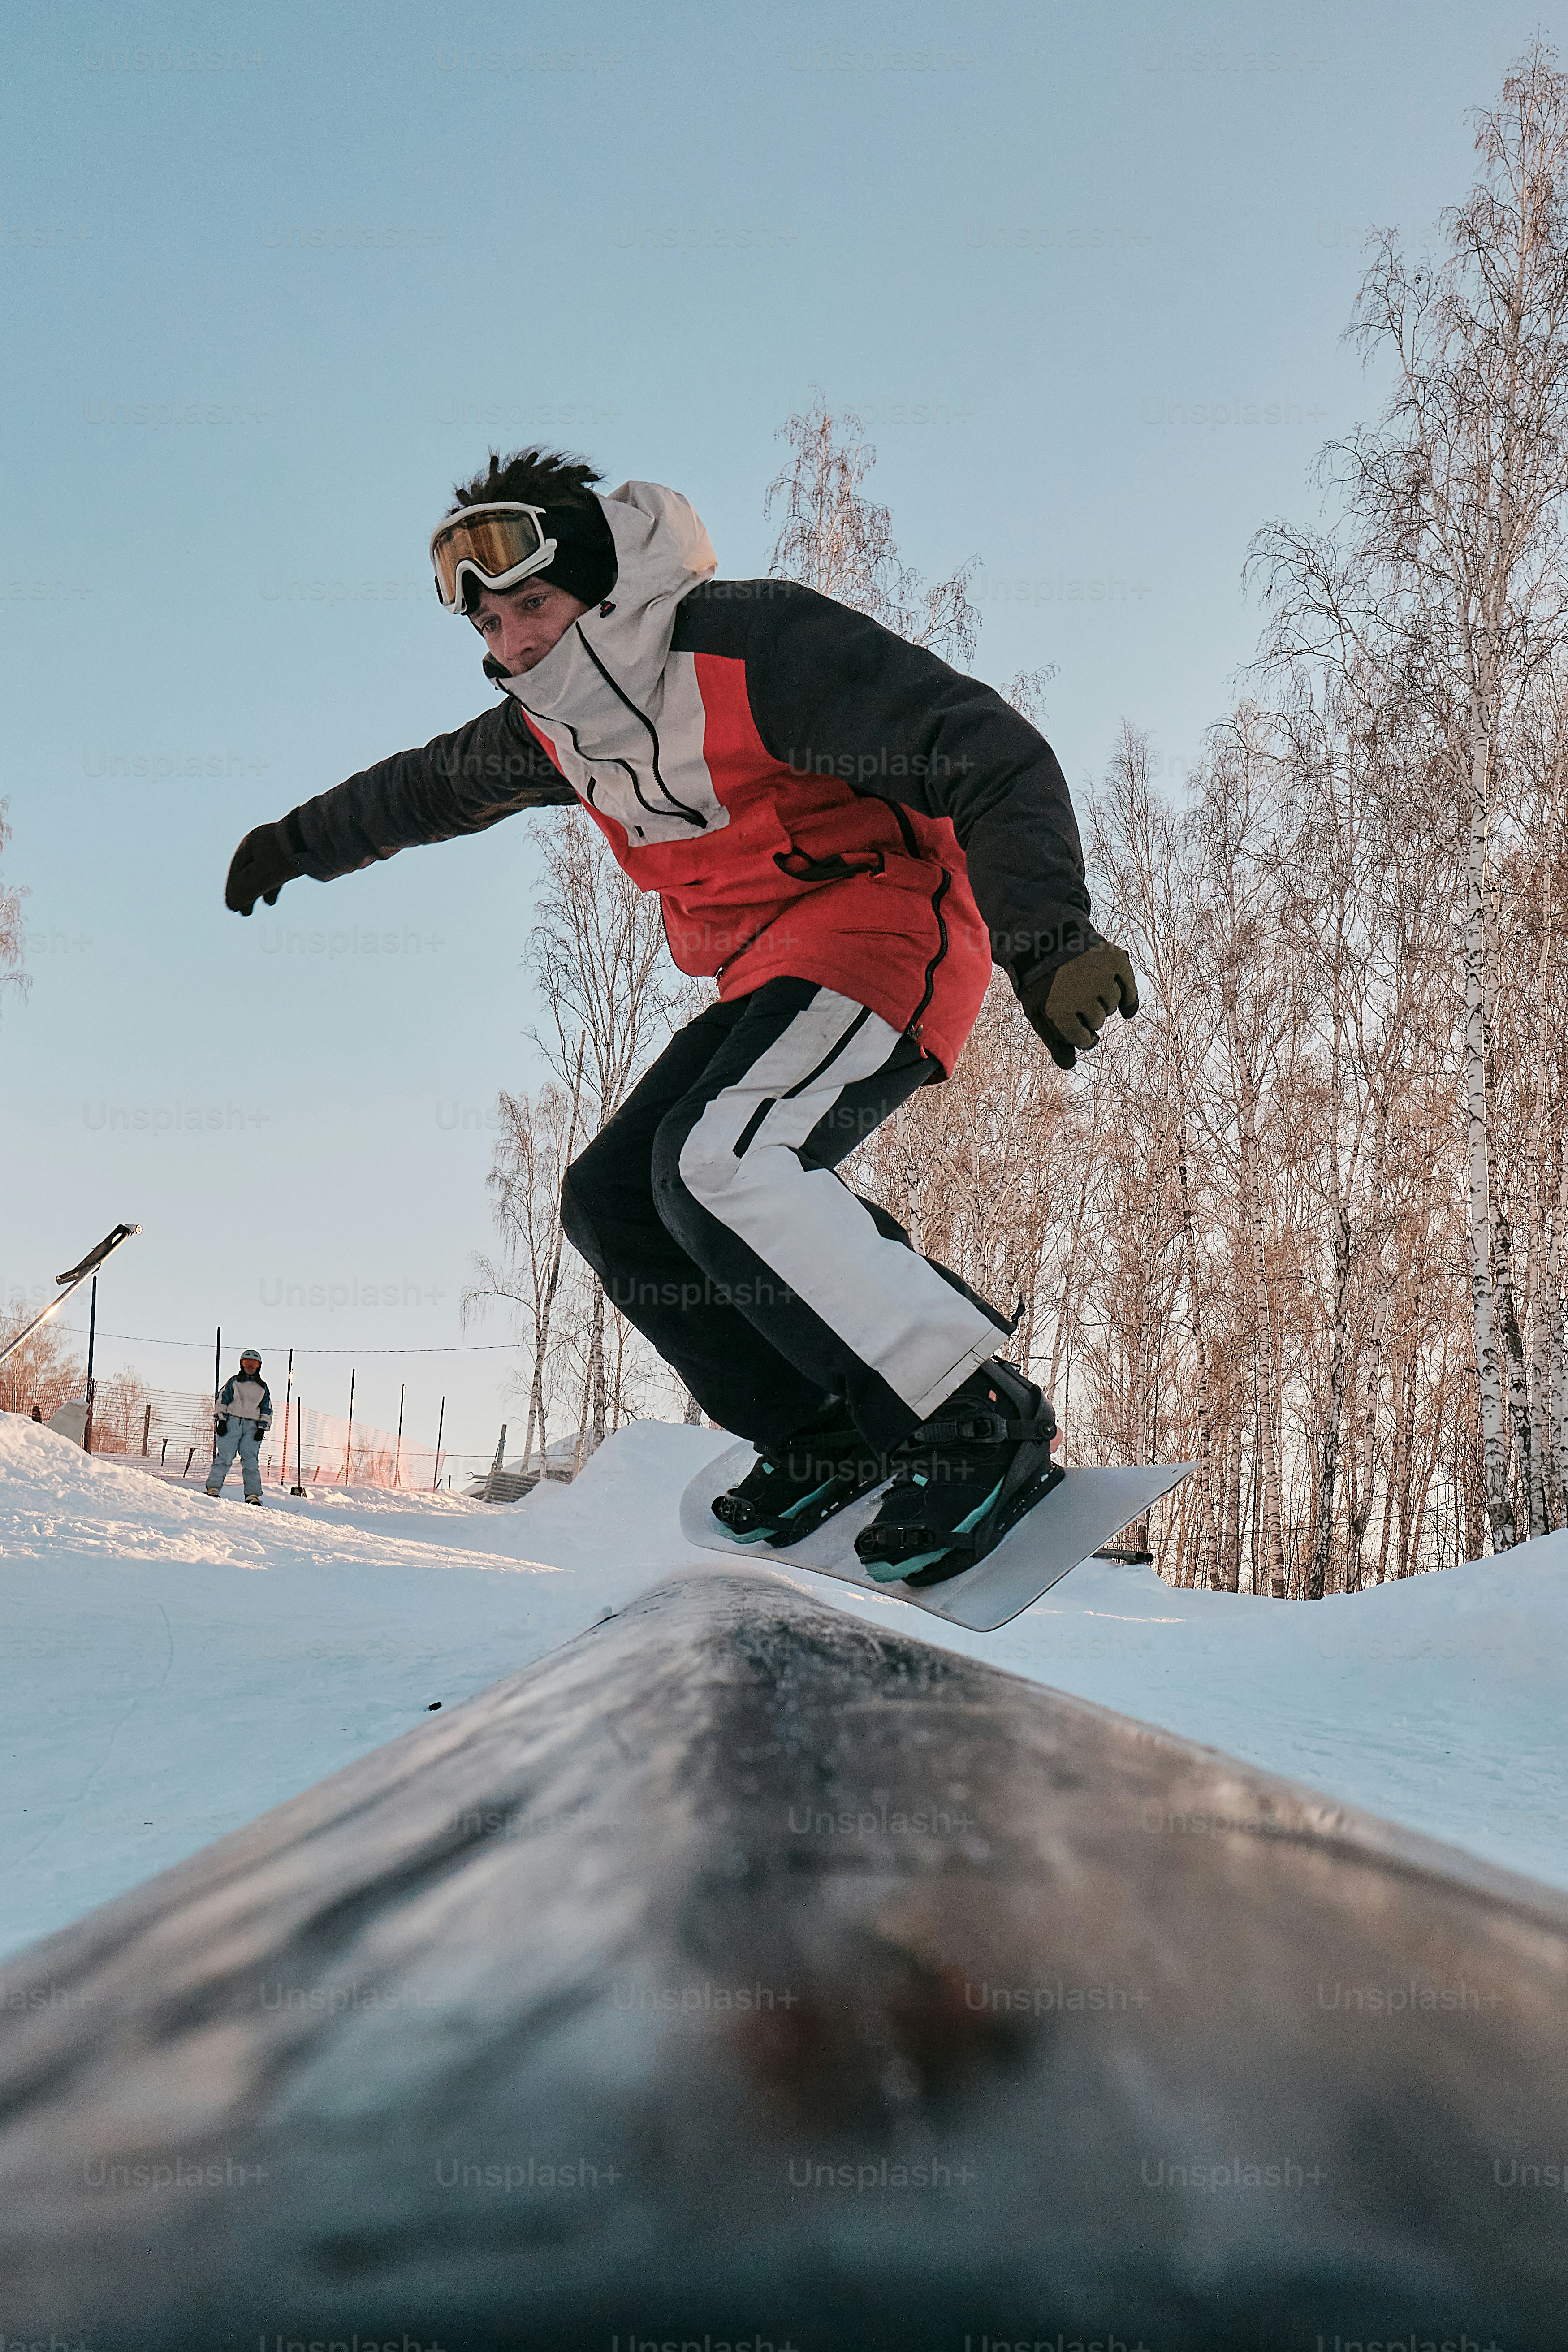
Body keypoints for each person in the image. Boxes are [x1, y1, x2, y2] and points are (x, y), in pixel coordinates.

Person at [223, 451, 1138, 1584]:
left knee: (728, 1153)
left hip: (890, 927)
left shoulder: (751, 645)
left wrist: (1046, 939)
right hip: (767, 971)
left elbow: (982, 747)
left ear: (602, 587)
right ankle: (820, 1426)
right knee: (612, 1197)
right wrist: (296, 842)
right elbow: (421, 788)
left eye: (535, 609)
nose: (512, 646)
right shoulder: (552, 728)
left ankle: (969, 1405)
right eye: (493, 623)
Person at [206, 1347, 272, 1504]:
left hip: (252, 1427)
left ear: (259, 1367)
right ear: (242, 1365)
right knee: (225, 1457)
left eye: (254, 1364)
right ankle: (213, 1489)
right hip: (232, 1423)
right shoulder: (234, 1382)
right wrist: (221, 1420)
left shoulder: (262, 1387)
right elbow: (222, 1400)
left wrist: (262, 1428)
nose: (250, 1367)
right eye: (247, 1363)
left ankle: (253, 1495)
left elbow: (267, 1408)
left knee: (250, 1460)